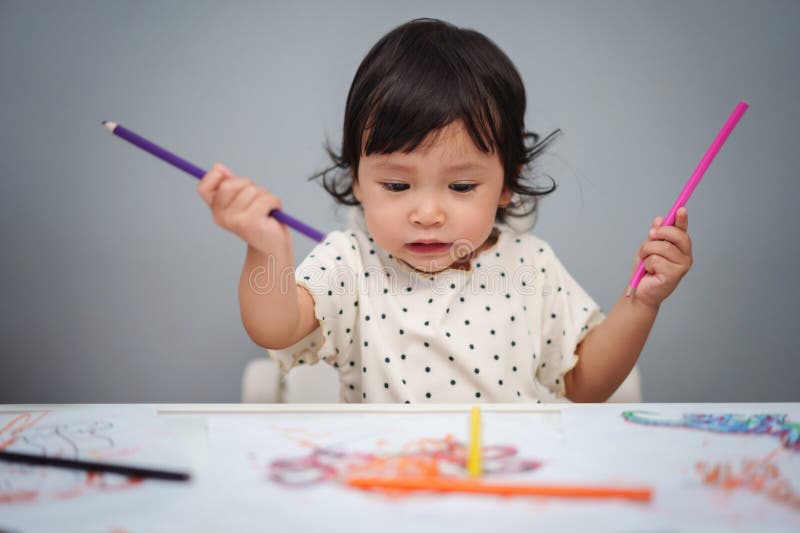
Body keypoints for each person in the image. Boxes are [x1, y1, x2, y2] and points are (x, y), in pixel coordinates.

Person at [197, 18, 693, 403]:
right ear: (358, 180)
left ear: (506, 184)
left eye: (460, 186)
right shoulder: (350, 263)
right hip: (388, 485)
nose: (428, 213)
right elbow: (275, 327)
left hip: (506, 487)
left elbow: (584, 386)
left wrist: (641, 303)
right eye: (397, 184)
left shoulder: (531, 265)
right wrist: (265, 250)